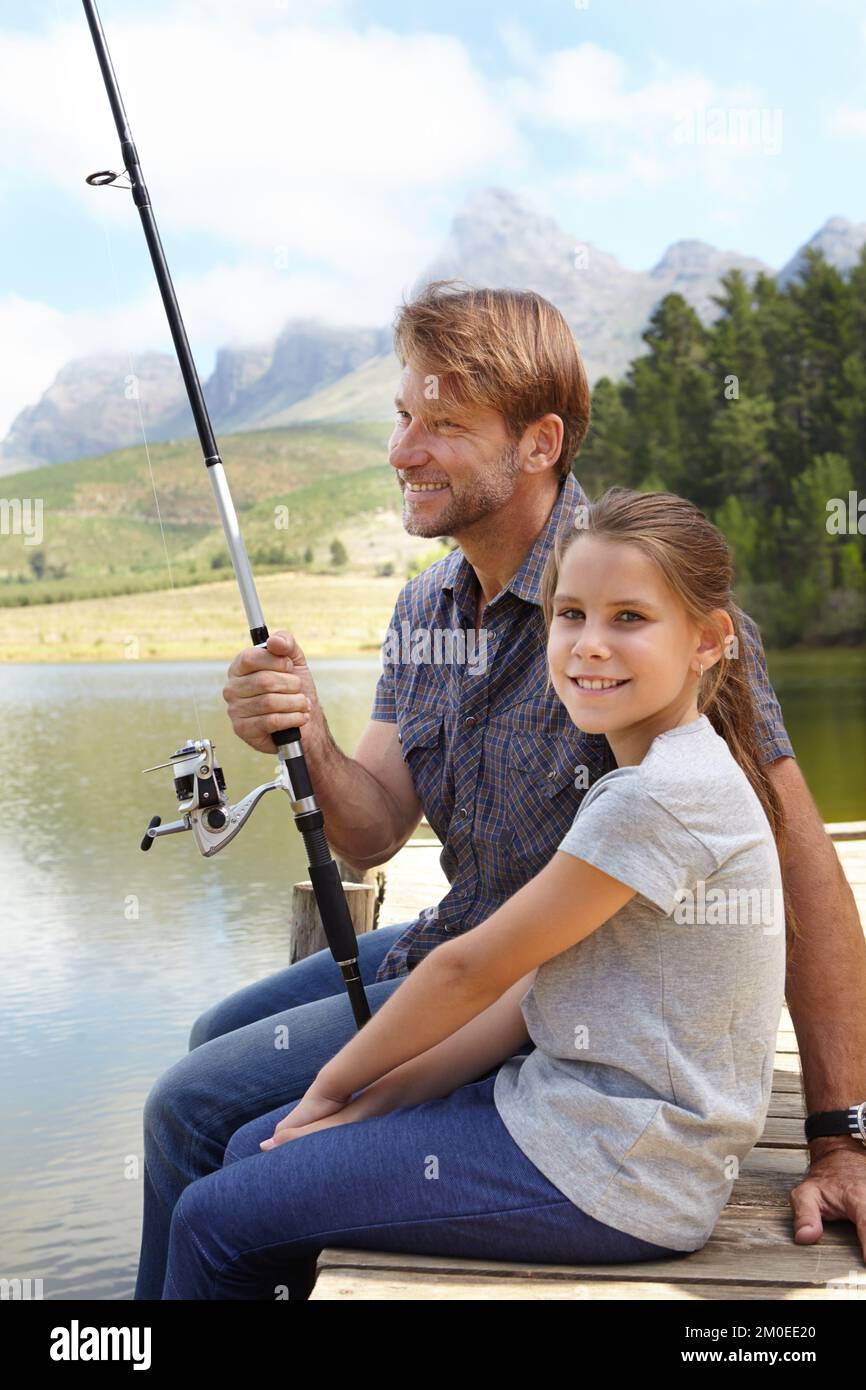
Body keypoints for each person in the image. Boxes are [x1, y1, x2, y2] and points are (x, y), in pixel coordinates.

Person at [134, 282, 866, 1300]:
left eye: (441, 424)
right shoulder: (422, 604)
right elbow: (375, 827)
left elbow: (795, 864)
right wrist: (303, 734)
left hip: (541, 1006)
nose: (401, 451)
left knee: (188, 1109)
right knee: (213, 1044)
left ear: (537, 442)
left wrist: (841, 1134)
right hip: (456, 944)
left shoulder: (635, 595)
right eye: (400, 417)